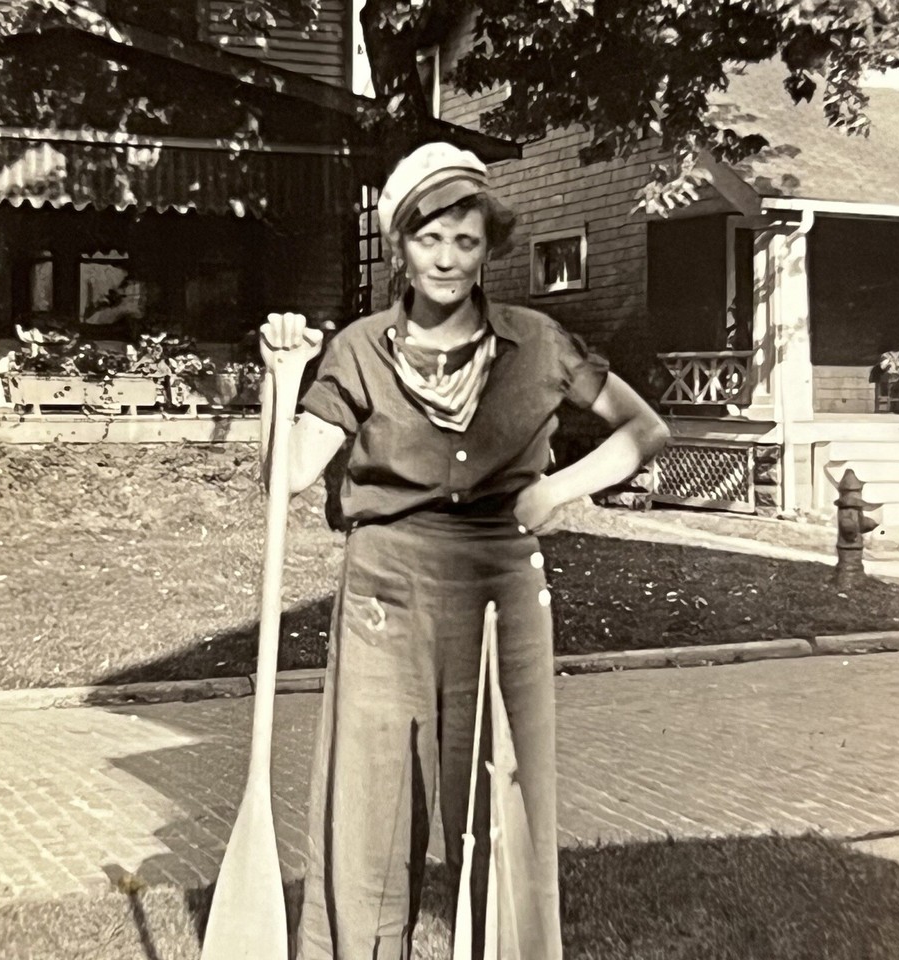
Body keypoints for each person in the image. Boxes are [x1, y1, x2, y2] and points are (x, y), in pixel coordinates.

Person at [259, 142, 670, 960]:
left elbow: (644, 428)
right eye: (428, 238)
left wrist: (559, 490)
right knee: (370, 814)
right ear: (400, 245)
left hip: (501, 593)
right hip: (384, 597)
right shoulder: (358, 349)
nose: (446, 259)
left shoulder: (539, 342)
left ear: (488, 249)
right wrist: (283, 377)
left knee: (503, 801)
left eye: (465, 240)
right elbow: (289, 475)